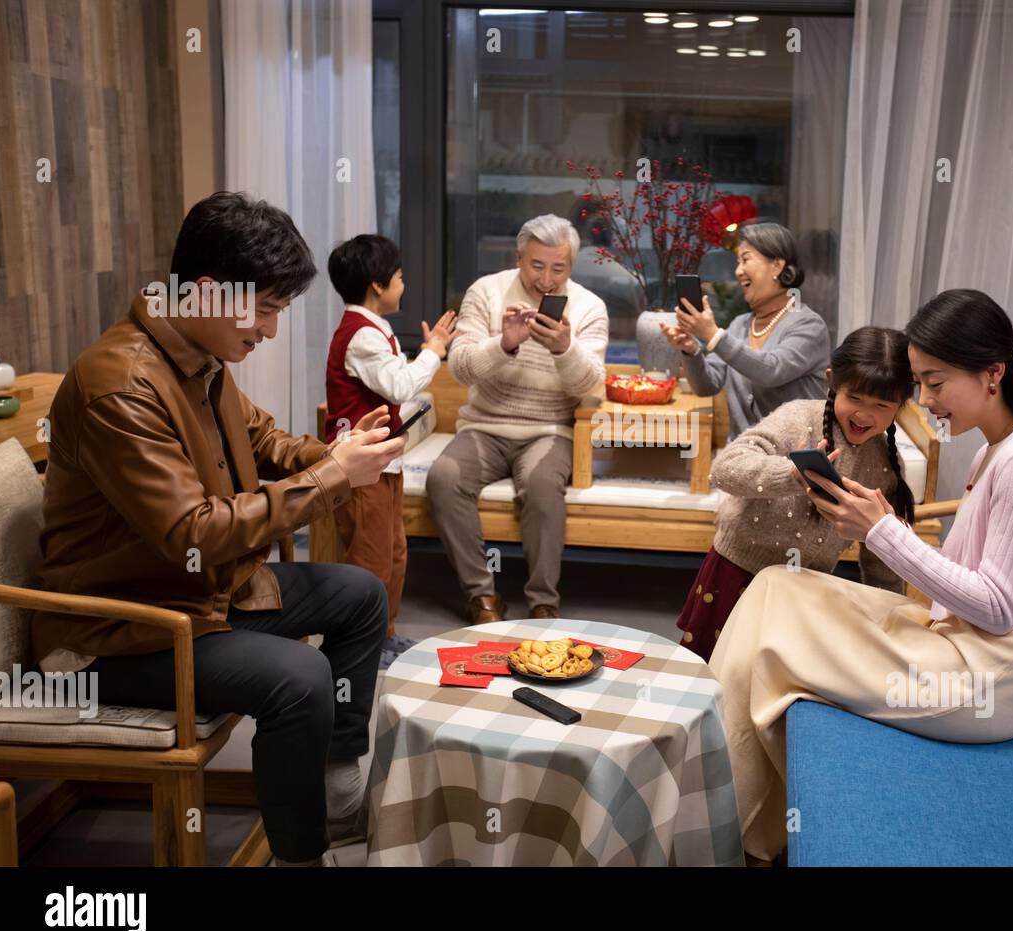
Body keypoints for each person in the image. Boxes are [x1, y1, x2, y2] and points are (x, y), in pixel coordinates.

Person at [30, 192, 407, 867]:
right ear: (208, 294)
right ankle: (300, 855)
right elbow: (191, 532)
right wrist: (332, 480)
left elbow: (267, 442)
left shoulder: (199, 360)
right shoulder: (120, 384)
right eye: (265, 309)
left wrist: (341, 455)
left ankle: (336, 781)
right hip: (121, 631)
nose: (269, 331)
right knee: (299, 678)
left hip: (194, 598)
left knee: (360, 596)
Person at [711, 288, 1013, 862]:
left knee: (769, 649)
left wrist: (880, 531)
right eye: (919, 384)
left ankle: (726, 833)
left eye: (934, 382)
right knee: (776, 585)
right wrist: (875, 531)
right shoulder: (997, 451)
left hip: (986, 680)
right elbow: (967, 581)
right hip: (962, 639)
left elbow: (999, 608)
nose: (924, 401)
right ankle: (738, 824)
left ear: (993, 373)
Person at [676, 327, 915, 662]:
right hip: (736, 576)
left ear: (901, 405)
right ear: (832, 381)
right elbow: (724, 469)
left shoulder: (886, 465)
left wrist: (892, 623)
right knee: (709, 677)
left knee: (773, 688)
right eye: (855, 398)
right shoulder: (798, 417)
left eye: (882, 404)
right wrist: (790, 473)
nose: (865, 414)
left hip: (804, 591)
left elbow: (881, 561)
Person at [427, 214, 608, 623]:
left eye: (558, 268)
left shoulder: (589, 308)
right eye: (536, 266)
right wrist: (504, 343)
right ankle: (482, 596)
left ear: (571, 266)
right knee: (444, 478)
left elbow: (592, 386)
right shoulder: (486, 293)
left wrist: (565, 349)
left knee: (543, 486)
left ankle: (543, 601)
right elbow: (459, 368)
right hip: (484, 425)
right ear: (518, 258)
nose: (546, 278)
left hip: (550, 431)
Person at [324, 234, 458, 668]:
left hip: (384, 462)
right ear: (377, 285)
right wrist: (434, 352)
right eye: (399, 277)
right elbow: (399, 385)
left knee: (394, 554)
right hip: (362, 468)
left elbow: (393, 379)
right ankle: (358, 646)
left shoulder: (373, 331)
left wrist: (426, 350)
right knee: (370, 561)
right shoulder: (361, 336)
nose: (404, 283)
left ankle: (384, 635)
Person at [660, 222, 831, 440]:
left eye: (745, 259)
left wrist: (713, 335)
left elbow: (771, 369)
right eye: (737, 262)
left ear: (777, 266)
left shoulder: (809, 325)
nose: (738, 271)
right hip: (742, 460)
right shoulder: (740, 325)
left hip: (793, 463)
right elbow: (706, 385)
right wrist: (690, 349)